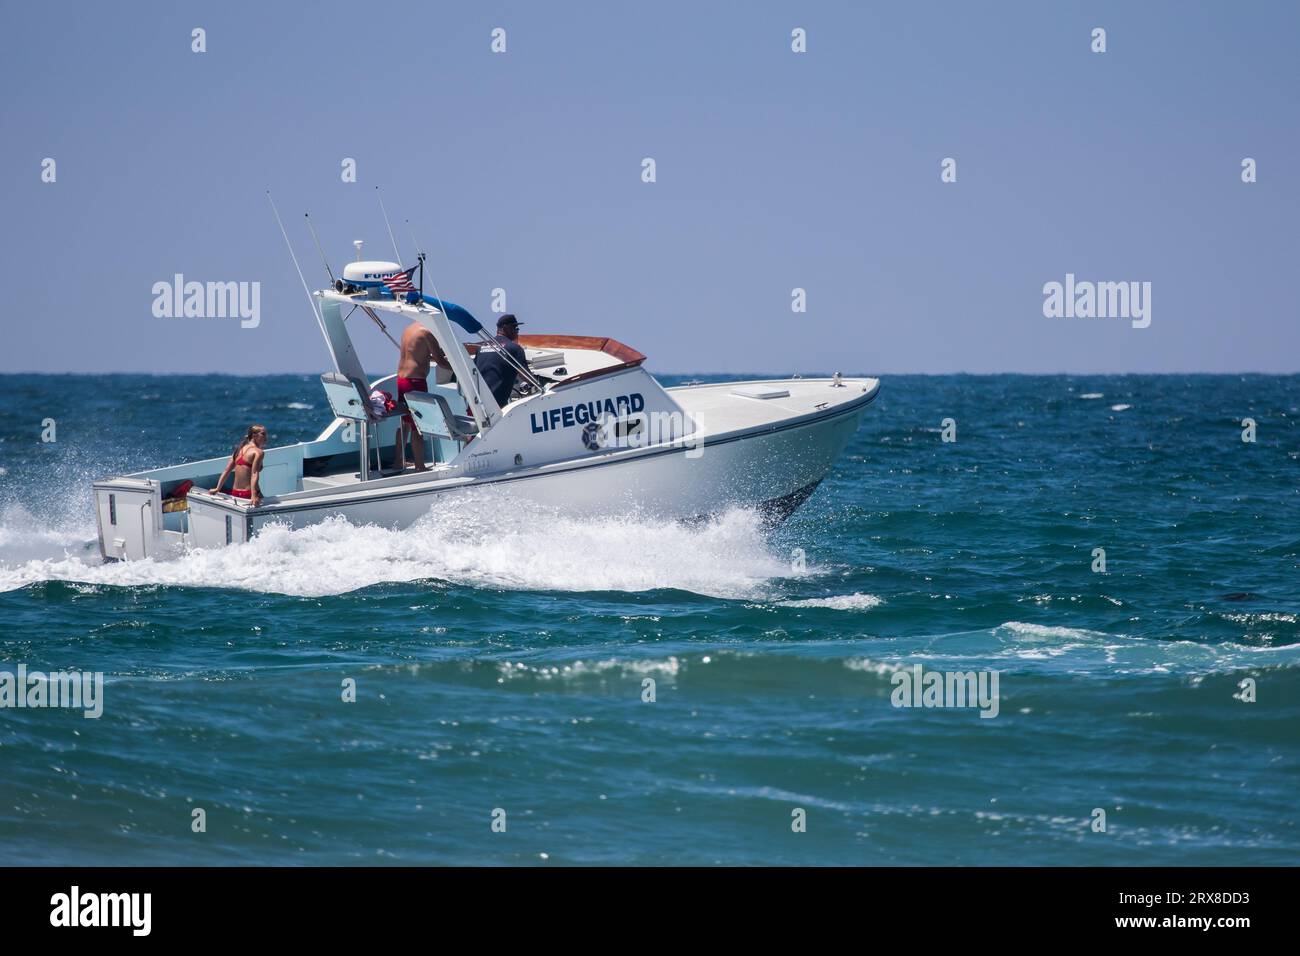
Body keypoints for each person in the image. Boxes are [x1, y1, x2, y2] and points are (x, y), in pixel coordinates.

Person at [396, 322, 449, 471]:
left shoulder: (409, 329)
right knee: (418, 425)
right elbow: (442, 362)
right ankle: (420, 465)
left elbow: (418, 354)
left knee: (405, 422)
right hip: (415, 382)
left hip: (402, 379)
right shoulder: (427, 333)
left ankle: (397, 461)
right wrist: (461, 371)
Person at [474, 314, 531, 407]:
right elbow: (527, 377)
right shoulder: (514, 348)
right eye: (515, 327)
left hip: (477, 407)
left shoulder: (481, 348)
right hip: (497, 409)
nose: (517, 331)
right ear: (505, 328)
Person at [212, 425, 267, 507]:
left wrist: (217, 488)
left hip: (235, 493)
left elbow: (227, 470)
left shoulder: (239, 450)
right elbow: (254, 474)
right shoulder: (258, 452)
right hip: (249, 493)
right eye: (263, 434)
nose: (266, 437)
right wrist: (254, 495)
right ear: (254, 435)